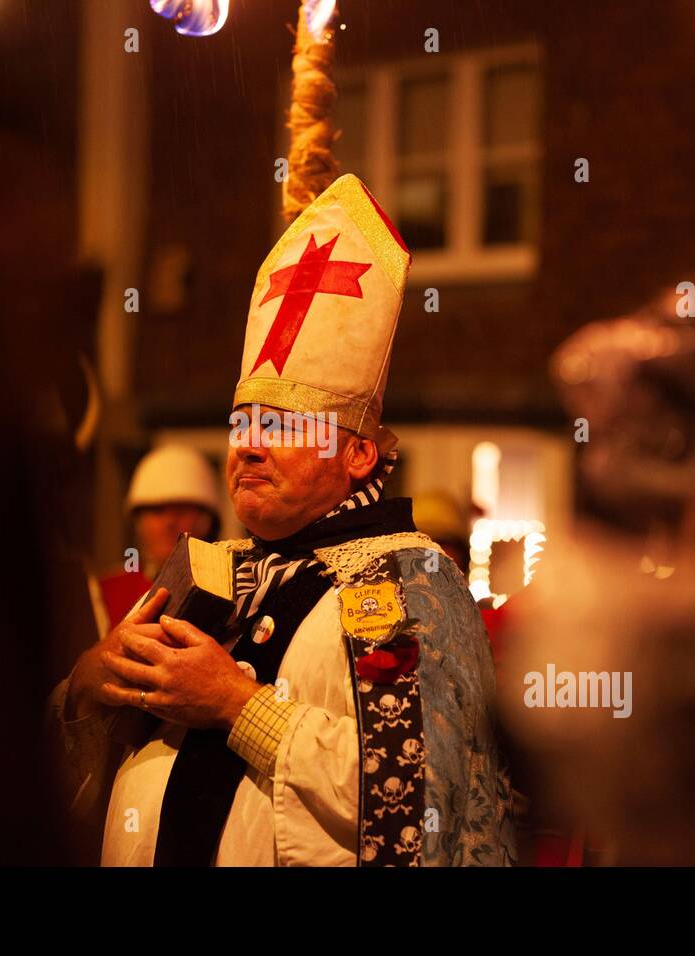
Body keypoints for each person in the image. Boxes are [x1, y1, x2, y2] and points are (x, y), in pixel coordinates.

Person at [49, 174, 514, 866]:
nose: (248, 443)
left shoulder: (410, 580)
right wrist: (86, 692)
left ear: (358, 454)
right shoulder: (216, 568)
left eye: (282, 425)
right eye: (242, 422)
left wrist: (239, 704)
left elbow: (426, 809)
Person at [92, 445, 221, 633]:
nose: (169, 521)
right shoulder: (104, 593)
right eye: (157, 511)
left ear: (207, 521)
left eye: (181, 510)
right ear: (137, 522)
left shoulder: (235, 591)